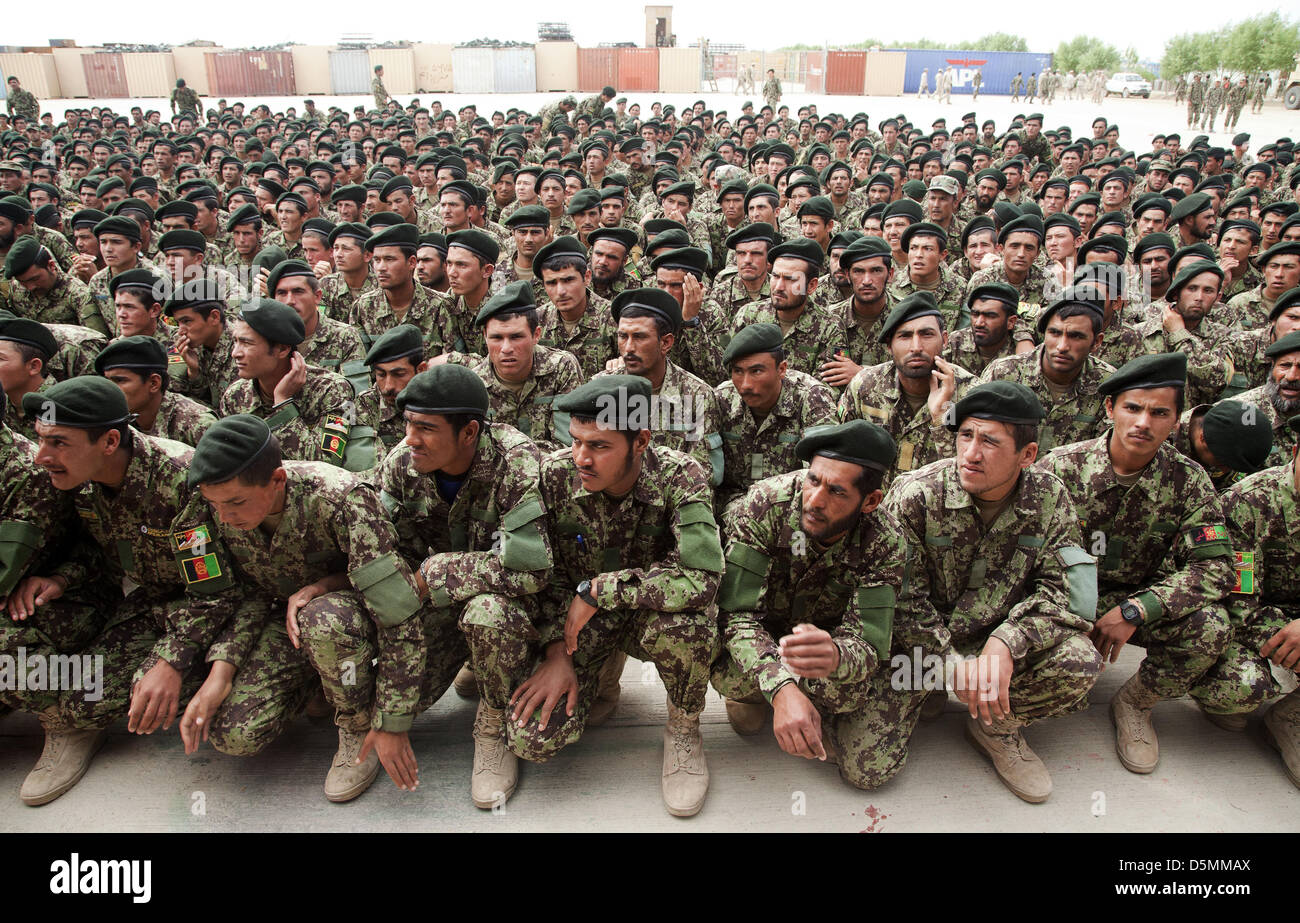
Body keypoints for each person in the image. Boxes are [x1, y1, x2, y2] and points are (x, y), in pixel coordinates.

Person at [4, 377, 242, 806]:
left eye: (58, 442)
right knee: (59, 680)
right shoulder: (80, 480)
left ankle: (218, 675)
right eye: (41, 440)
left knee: (96, 701)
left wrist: (170, 660)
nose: (42, 457)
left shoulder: (177, 482)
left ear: (110, 440)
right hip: (148, 602)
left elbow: (216, 594)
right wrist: (62, 579)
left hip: (213, 608)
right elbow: (99, 552)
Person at [505, 375, 724, 817]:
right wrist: (555, 652)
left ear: (640, 440)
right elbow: (537, 575)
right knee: (532, 741)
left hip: (648, 612)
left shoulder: (682, 476)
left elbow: (701, 578)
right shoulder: (554, 475)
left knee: (689, 628)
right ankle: (600, 673)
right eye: (576, 441)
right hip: (577, 622)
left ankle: (683, 726)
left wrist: (601, 588)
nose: (581, 458)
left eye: (599, 446)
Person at [179, 414, 426, 803]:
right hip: (287, 625)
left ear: (277, 480)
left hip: (350, 618)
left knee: (323, 619)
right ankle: (321, 682)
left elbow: (397, 607)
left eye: (235, 503)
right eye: (215, 505)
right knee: (235, 736)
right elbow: (233, 597)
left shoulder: (342, 499)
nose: (224, 517)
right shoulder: (215, 504)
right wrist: (220, 673)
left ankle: (356, 723)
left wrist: (392, 720)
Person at [1037, 354, 1234, 774]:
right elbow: (1021, 550)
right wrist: (1070, 612)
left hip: (1135, 596)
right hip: (1063, 595)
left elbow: (1215, 569)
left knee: (1210, 626)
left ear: (1176, 420)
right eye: (1132, 408)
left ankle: (1135, 703)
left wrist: (1135, 610)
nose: (1143, 422)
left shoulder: (1189, 481)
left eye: (1159, 412)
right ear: (1110, 409)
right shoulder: (1060, 468)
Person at [378, 364, 551, 808]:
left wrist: (439, 571)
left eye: (426, 428)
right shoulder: (403, 464)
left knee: (487, 613)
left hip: (508, 609)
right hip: (434, 608)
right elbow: (378, 545)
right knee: (393, 702)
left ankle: (492, 724)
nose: (411, 438)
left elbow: (532, 570)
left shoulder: (516, 461)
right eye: (408, 424)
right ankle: (364, 726)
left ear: (470, 431)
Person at [713, 419, 910, 779]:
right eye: (813, 480)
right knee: (726, 670)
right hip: (762, 633)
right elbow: (737, 616)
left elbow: (868, 645)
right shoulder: (763, 505)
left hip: (821, 645)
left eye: (836, 492)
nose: (814, 502)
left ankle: (810, 700)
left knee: (847, 691)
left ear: (871, 501)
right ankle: (759, 695)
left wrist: (836, 655)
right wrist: (781, 688)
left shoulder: (886, 541)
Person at [713, 323, 838, 511]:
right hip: (730, 507)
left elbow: (822, 473)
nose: (745, 385)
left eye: (756, 371)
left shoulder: (812, 397)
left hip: (791, 506)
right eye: (738, 371)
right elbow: (706, 473)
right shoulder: (722, 398)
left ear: (781, 369)